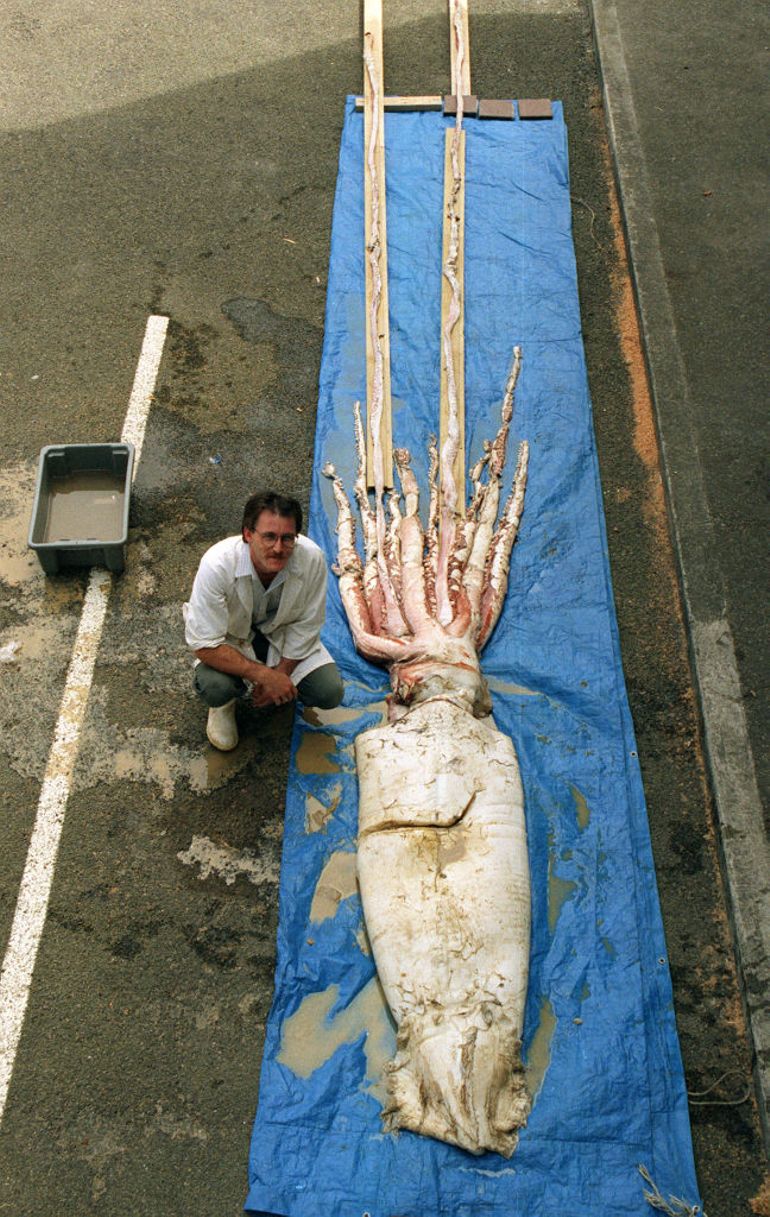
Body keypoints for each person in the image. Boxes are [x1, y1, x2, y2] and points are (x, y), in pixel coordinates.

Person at [184, 490, 343, 750]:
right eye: (269, 537)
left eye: (287, 538)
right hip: (230, 639)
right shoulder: (217, 564)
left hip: (280, 635)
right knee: (215, 686)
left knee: (328, 691)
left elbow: (308, 623)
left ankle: (281, 690)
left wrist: (281, 673)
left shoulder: (312, 559)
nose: (278, 548)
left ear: (297, 537)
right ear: (248, 534)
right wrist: (264, 676)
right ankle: (224, 705)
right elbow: (203, 642)